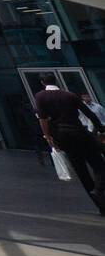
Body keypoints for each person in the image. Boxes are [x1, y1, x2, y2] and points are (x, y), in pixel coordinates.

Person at [35, 79, 105, 215]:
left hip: (62, 137)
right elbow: (90, 114)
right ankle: (99, 189)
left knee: (81, 170)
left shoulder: (40, 96)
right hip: (79, 132)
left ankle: (101, 206)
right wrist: (100, 130)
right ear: (56, 81)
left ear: (43, 82)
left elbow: (42, 119)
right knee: (98, 165)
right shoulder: (69, 95)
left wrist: (48, 137)